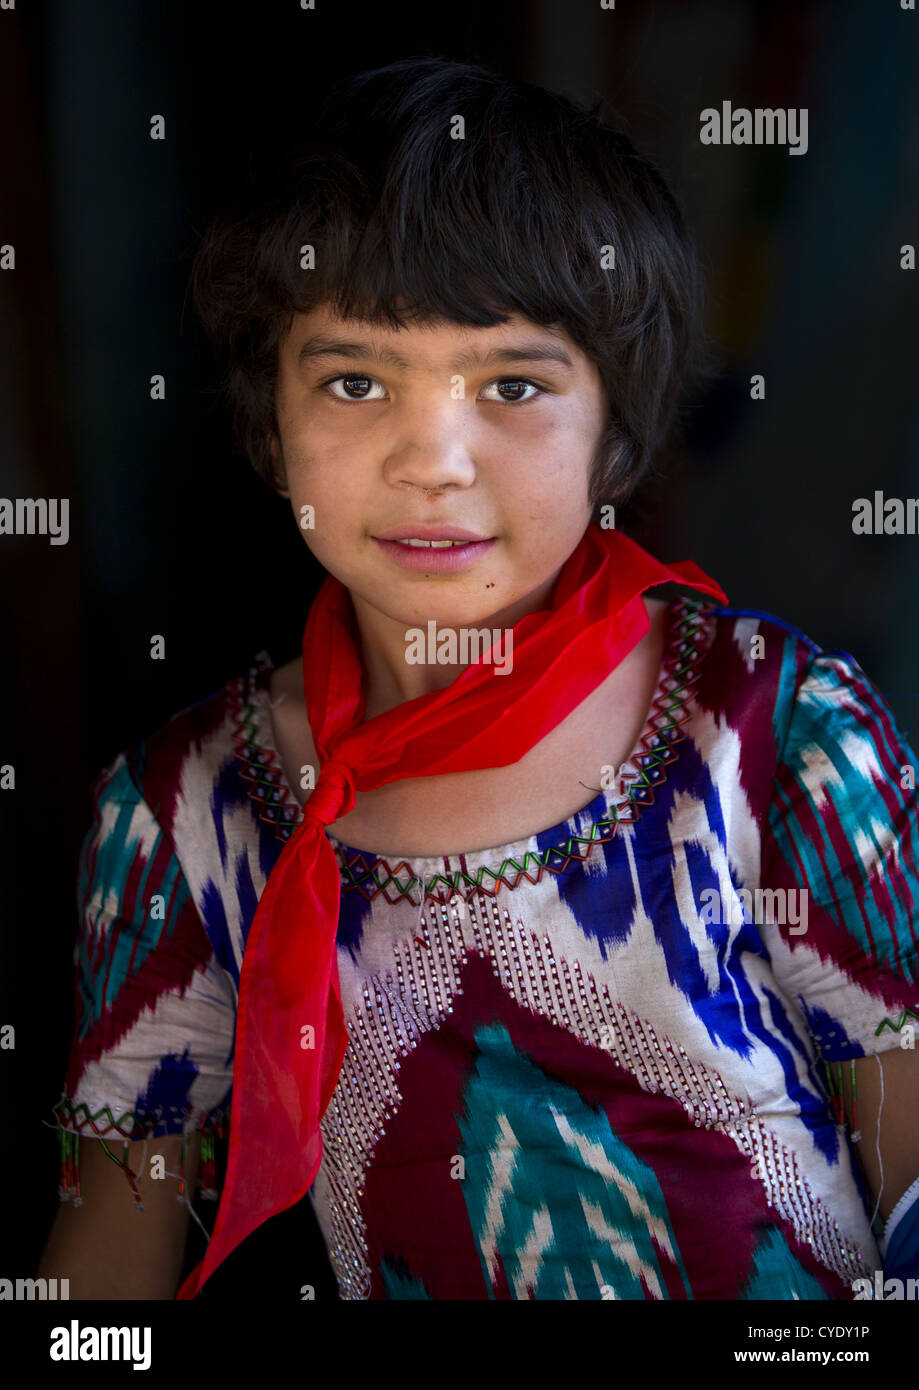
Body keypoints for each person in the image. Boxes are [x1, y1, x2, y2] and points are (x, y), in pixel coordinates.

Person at [38, 56, 919, 1301]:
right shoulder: (183, 814)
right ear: (266, 415)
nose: (432, 460)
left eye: (512, 385)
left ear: (614, 426)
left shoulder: (773, 733)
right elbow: (105, 1277)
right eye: (354, 382)